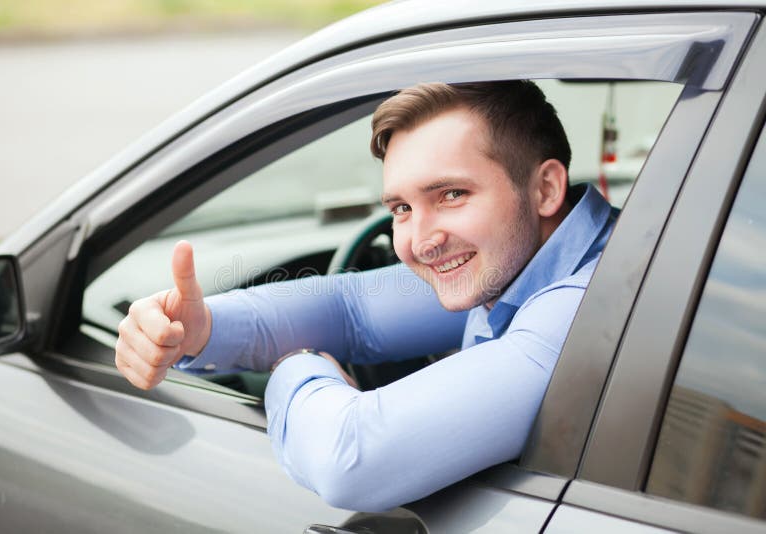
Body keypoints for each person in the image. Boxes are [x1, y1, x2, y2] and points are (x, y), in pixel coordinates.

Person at [115, 81, 616, 512]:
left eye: (451, 195)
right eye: (402, 207)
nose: (420, 242)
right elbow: (354, 311)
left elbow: (350, 459)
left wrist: (299, 366)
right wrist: (197, 331)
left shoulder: (584, 306)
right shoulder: (524, 257)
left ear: (546, 189)